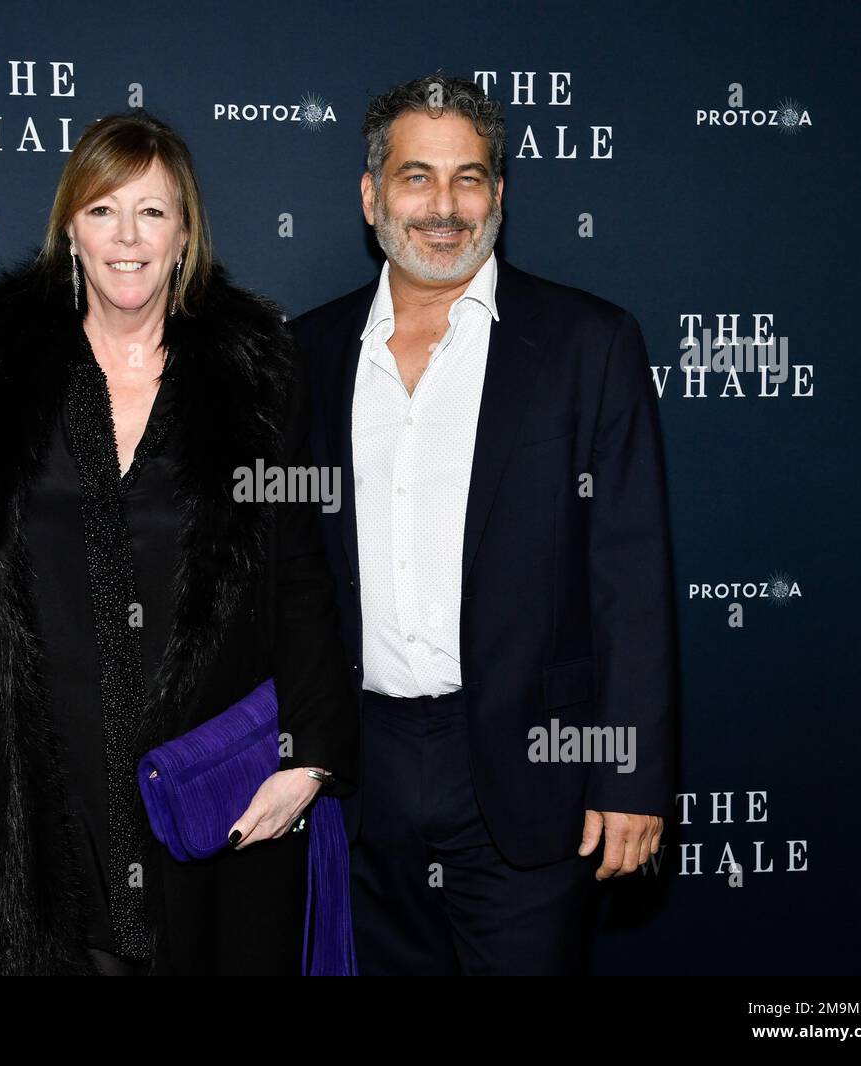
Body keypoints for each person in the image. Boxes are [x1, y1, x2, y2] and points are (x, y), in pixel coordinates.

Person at [0, 109, 358, 976]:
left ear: (185, 232)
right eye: (103, 210)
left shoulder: (254, 368)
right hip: (52, 774)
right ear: (69, 229)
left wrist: (311, 759)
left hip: (203, 773)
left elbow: (297, 571)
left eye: (152, 212)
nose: (127, 237)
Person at [289, 72, 678, 975]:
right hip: (359, 776)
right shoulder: (304, 353)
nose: (444, 207)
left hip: (527, 774)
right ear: (371, 196)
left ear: (499, 193)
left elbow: (630, 575)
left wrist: (629, 774)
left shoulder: (589, 344)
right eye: (416, 177)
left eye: (470, 178)